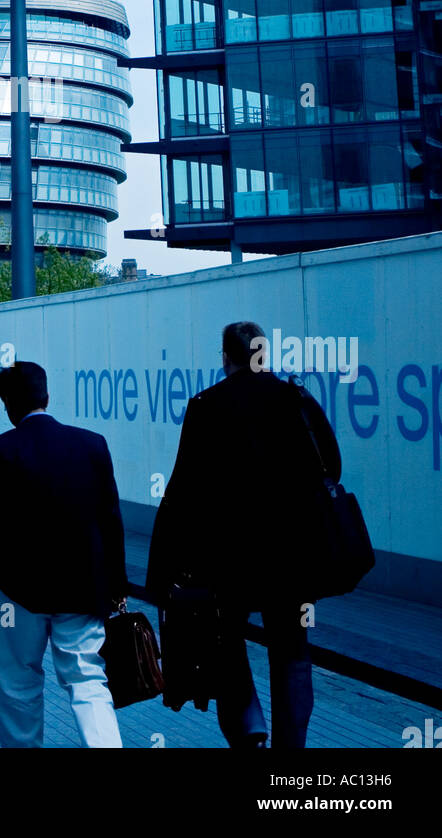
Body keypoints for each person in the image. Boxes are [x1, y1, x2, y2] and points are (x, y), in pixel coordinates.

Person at [145, 320, 342, 751]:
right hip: (292, 557)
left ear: (225, 357)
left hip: (228, 560)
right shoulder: (294, 399)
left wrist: (160, 572)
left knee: (226, 643)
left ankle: (249, 731)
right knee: (292, 650)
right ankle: (291, 746)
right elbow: (331, 465)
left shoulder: (207, 406)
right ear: (263, 353)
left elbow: (181, 493)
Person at [0, 360, 126, 749]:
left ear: (8, 405)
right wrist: (116, 587)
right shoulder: (92, 444)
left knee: (18, 685)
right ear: (47, 396)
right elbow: (110, 520)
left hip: (18, 594)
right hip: (82, 590)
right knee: (88, 681)